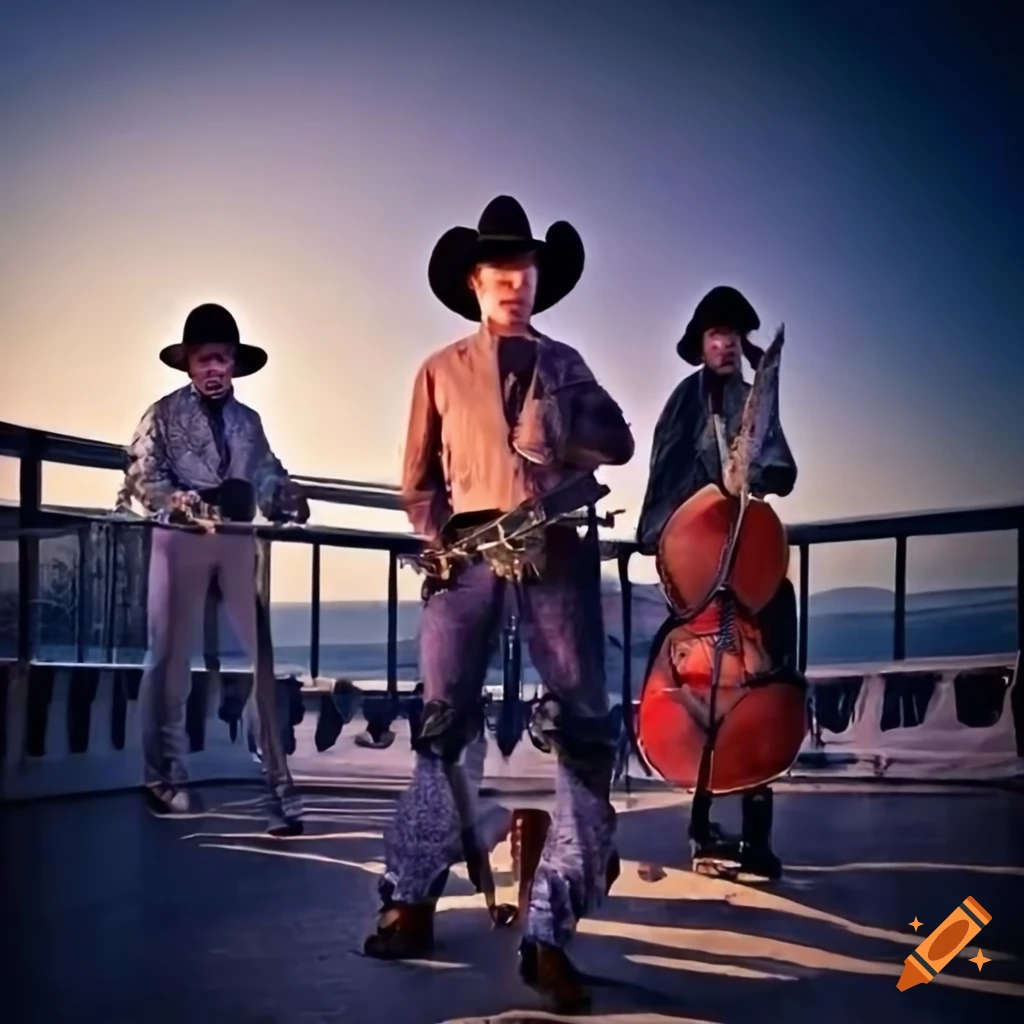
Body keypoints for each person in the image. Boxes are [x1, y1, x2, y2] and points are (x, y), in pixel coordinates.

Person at [363, 196, 634, 1013]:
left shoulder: (568, 360)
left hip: (554, 545)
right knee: (442, 722)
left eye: (526, 272)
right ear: (476, 283)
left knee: (584, 726)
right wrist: (440, 538)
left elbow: (618, 443)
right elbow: (417, 482)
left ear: (538, 282)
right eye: (500, 274)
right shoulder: (439, 369)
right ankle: (411, 898)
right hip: (467, 553)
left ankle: (551, 933)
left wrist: (563, 431)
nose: (514, 285)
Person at [118, 302, 309, 836]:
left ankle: (279, 783)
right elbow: (140, 477)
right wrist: (178, 502)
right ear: (189, 364)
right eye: (205, 359)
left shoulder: (250, 422)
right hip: (178, 542)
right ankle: (162, 777)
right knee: (169, 658)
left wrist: (288, 497)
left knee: (261, 660)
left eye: (222, 360)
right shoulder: (160, 414)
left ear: (233, 364)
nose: (214, 369)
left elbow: (267, 475)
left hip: (236, 540)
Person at [636, 285, 798, 879]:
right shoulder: (684, 400)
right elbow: (663, 474)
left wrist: (762, 472)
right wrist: (673, 540)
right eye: (714, 335)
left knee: (769, 673)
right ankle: (703, 830)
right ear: (701, 344)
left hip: (752, 566)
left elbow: (783, 468)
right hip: (701, 569)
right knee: (701, 688)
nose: (725, 344)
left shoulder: (758, 397)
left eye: (733, 335)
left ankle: (758, 836)